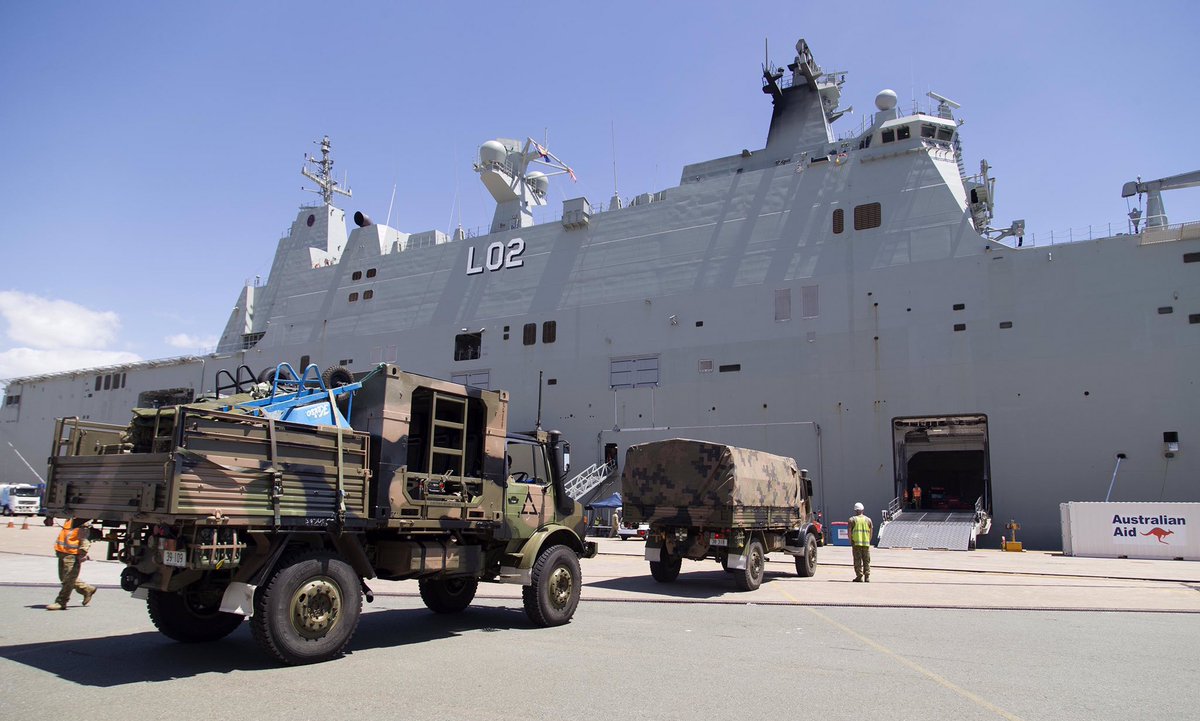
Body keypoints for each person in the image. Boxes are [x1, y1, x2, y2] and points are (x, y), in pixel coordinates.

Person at [46, 518, 96, 611]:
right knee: (64, 578)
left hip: (72, 554)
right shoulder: (69, 518)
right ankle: (86, 589)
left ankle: (61, 602)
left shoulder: (82, 520)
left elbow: (85, 538)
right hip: (62, 552)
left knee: (68, 580)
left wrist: (83, 553)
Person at [849, 502, 873, 582]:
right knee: (866, 560)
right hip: (866, 543)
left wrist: (850, 541)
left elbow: (849, 532)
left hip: (856, 543)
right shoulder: (868, 520)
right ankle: (867, 576)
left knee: (857, 560)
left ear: (855, 511)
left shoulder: (852, 520)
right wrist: (868, 540)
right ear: (863, 510)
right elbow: (871, 532)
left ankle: (859, 576)